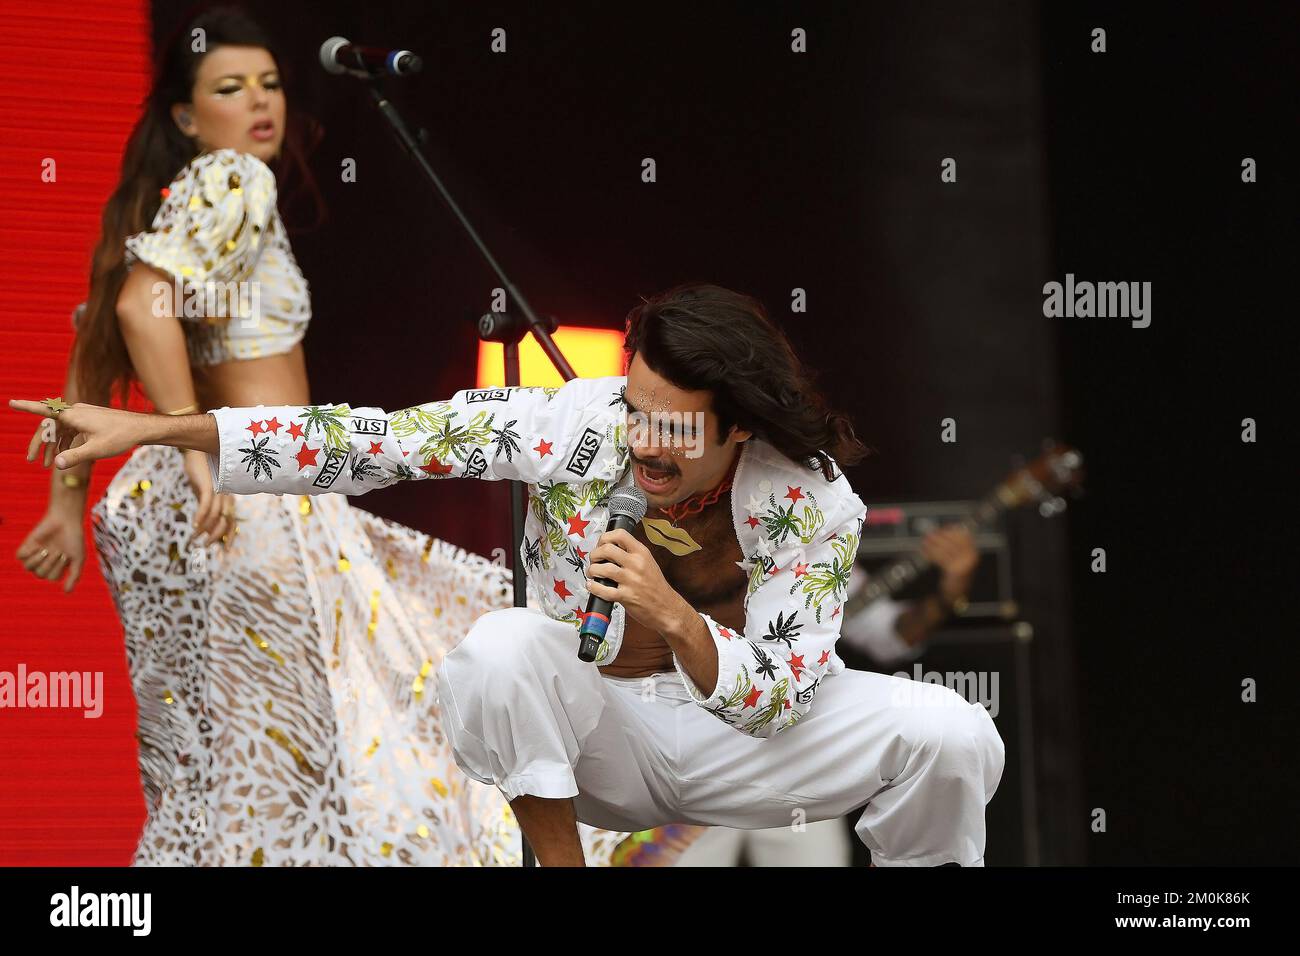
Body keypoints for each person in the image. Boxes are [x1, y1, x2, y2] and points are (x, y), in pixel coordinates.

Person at [12, 282, 1007, 867]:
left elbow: (781, 700)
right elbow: (372, 442)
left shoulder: (811, 500)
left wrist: (674, 612)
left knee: (954, 731)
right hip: (596, 742)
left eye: (673, 427)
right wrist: (161, 425)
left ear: (739, 423)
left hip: (743, 743)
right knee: (500, 645)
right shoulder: (573, 423)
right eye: (634, 407)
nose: (641, 442)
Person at [12, 6, 632, 867]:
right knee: (329, 735)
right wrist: (201, 456)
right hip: (245, 496)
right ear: (186, 116)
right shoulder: (235, 182)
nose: (260, 104)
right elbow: (134, 310)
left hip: (165, 507)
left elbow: (97, 341)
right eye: (230, 89)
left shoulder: (171, 203)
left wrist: (63, 506)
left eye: (269, 84)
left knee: (208, 764)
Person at [673, 524, 981, 866]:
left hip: (795, 762)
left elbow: (885, 632)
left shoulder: (809, 531)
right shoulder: (673, 528)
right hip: (692, 757)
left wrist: (950, 592)